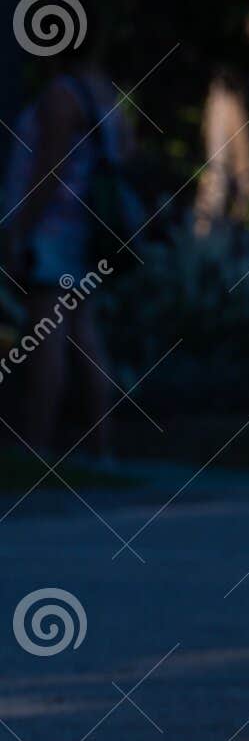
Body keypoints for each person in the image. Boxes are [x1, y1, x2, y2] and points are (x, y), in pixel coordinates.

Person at [1, 31, 134, 460]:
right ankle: (102, 447)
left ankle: (35, 443)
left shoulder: (62, 95)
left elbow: (47, 171)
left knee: (45, 335)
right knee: (83, 335)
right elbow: (125, 156)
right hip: (86, 232)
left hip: (57, 231)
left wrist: (20, 228)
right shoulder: (105, 96)